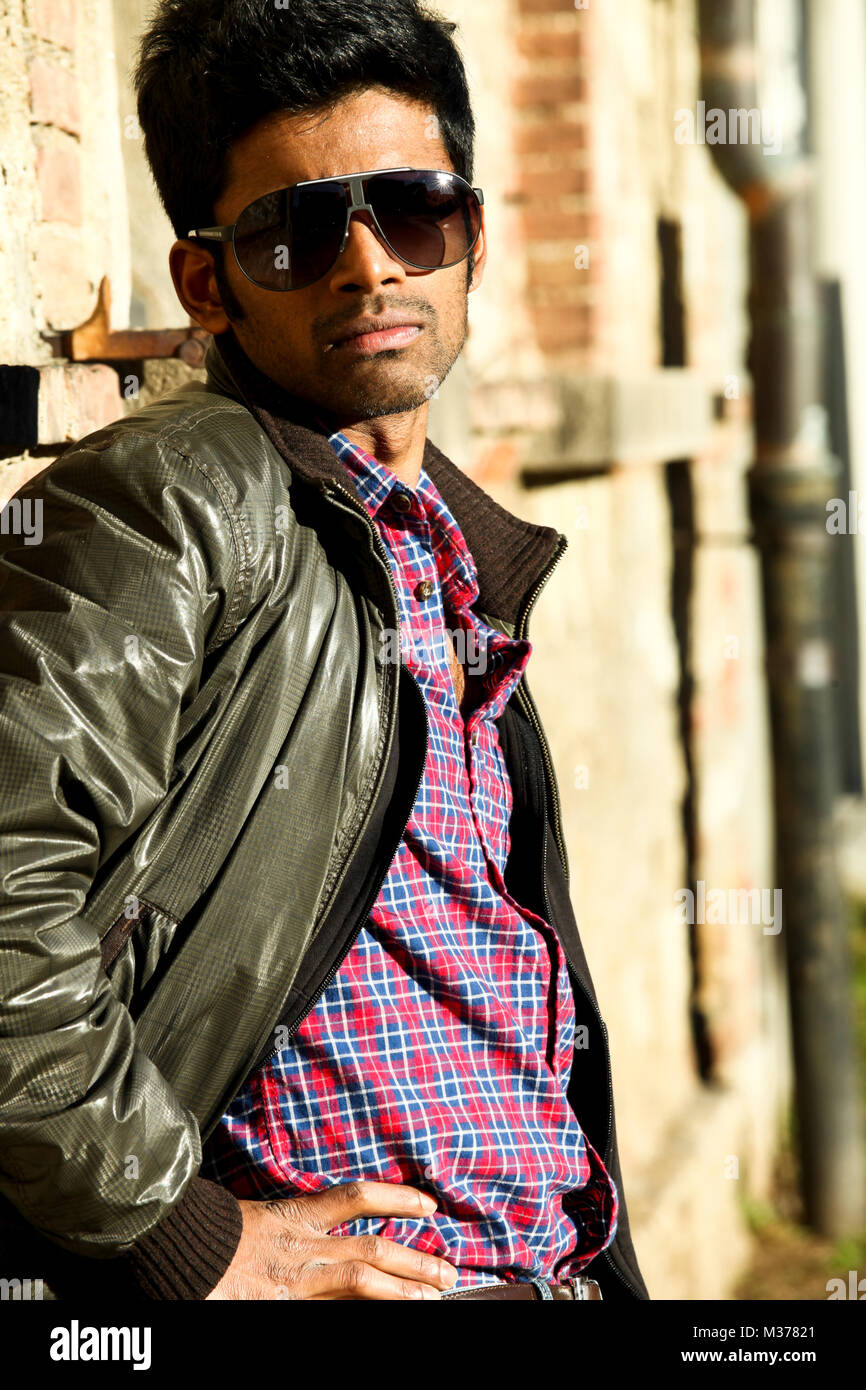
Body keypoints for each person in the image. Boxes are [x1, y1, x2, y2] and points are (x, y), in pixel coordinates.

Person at [0, 0, 649, 1302]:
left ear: (468, 235)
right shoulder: (178, 499)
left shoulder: (453, 557)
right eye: (295, 233)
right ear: (205, 283)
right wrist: (182, 1240)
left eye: (410, 212)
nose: (368, 267)